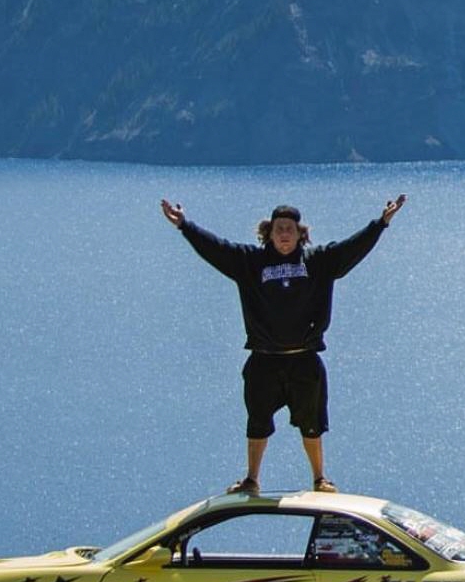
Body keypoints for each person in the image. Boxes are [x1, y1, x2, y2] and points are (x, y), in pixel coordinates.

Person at [160, 194, 406, 495]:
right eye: (279, 229)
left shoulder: (319, 261)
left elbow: (352, 248)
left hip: (304, 359)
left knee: (312, 423)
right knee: (257, 422)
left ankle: (319, 479)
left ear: (300, 233)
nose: (285, 234)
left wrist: (380, 224)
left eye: (290, 229)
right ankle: (252, 480)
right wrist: (185, 225)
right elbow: (216, 248)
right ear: (269, 232)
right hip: (264, 359)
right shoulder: (250, 262)